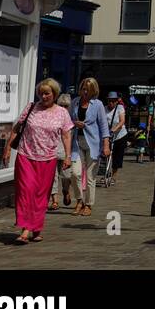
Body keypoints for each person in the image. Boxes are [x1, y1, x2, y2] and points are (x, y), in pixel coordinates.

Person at [2, 78, 73, 244]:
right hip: (26, 155)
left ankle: (36, 228)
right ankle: (26, 229)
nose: (44, 96)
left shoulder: (62, 112)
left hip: (47, 159)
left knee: (41, 195)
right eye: (41, 93)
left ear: (54, 94)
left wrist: (68, 156)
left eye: (47, 93)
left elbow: (66, 135)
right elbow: (17, 128)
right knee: (26, 192)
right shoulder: (31, 107)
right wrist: (6, 149)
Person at [65, 77, 111, 217]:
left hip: (93, 143)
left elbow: (103, 126)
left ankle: (89, 204)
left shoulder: (97, 105)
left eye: (88, 90)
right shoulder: (75, 102)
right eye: (83, 89)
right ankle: (80, 200)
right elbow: (67, 121)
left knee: (90, 176)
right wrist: (74, 123)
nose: (85, 92)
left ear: (93, 91)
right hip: (76, 142)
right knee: (74, 173)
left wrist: (106, 144)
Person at [49, 93, 73, 210]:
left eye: (66, 106)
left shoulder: (71, 120)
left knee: (66, 176)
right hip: (53, 152)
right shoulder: (53, 118)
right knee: (53, 177)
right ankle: (55, 200)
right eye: (61, 105)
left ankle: (66, 191)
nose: (64, 108)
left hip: (65, 153)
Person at [106, 91, 127, 185]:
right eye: (110, 101)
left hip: (120, 135)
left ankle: (113, 176)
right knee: (106, 154)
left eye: (113, 101)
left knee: (117, 156)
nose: (111, 103)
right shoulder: (104, 109)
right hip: (107, 135)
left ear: (116, 101)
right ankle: (105, 173)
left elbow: (122, 121)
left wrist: (114, 129)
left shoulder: (120, 108)